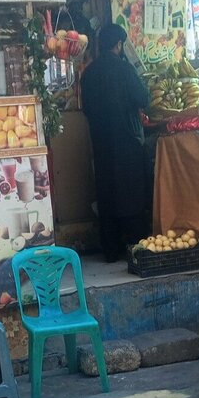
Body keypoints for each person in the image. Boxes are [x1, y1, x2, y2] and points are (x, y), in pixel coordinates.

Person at [81, 24, 150, 261]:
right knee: (131, 194)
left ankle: (110, 250)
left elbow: (86, 109)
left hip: (101, 143)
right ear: (118, 45)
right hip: (127, 142)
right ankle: (136, 250)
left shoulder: (88, 74)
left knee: (107, 193)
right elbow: (143, 98)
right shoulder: (125, 69)